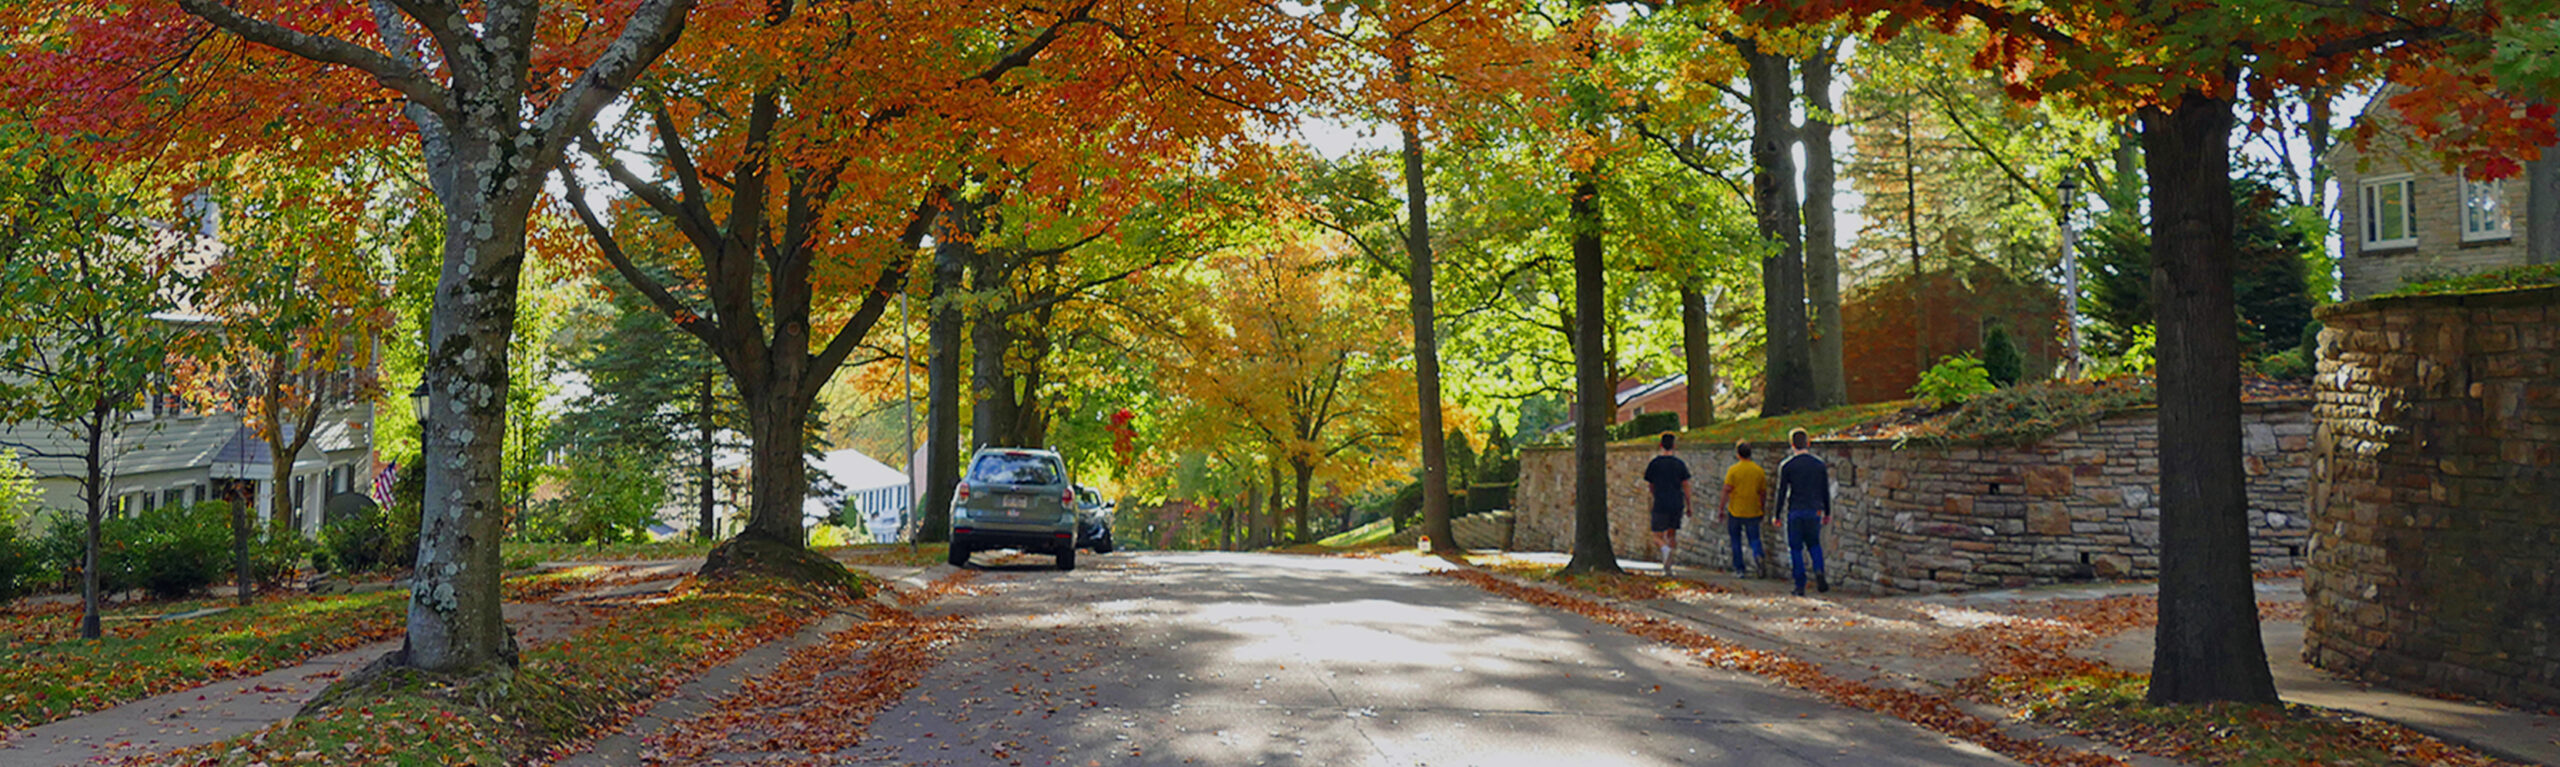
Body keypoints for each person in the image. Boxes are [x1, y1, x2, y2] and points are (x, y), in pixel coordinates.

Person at [1770, 428, 1831, 596]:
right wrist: (1827, 512)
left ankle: (1800, 584)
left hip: (1795, 510)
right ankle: (1819, 571)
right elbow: (1824, 490)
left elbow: (1781, 491)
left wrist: (1777, 514)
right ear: (1808, 443)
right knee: (1814, 544)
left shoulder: (1787, 465)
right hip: (1814, 510)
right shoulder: (1819, 465)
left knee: (1795, 548)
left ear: (1792, 445)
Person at [1639, 432, 1692, 575]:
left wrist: (1655, 494)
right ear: (1674, 446)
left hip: (1661, 502)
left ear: (1660, 445)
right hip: (1676, 503)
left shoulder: (1654, 464)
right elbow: (1686, 485)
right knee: (1672, 535)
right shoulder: (1679, 464)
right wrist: (1689, 504)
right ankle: (1668, 567)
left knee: (1657, 536)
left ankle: (1664, 550)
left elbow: (1650, 485)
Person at [1720, 441, 1768, 577]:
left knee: (1736, 540)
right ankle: (1758, 555)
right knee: (1754, 538)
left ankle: (1740, 569)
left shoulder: (1733, 470)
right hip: (1753, 509)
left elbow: (1726, 489)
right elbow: (1762, 492)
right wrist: (1762, 508)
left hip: (1736, 509)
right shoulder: (1758, 471)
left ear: (1738, 454)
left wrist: (1721, 508)